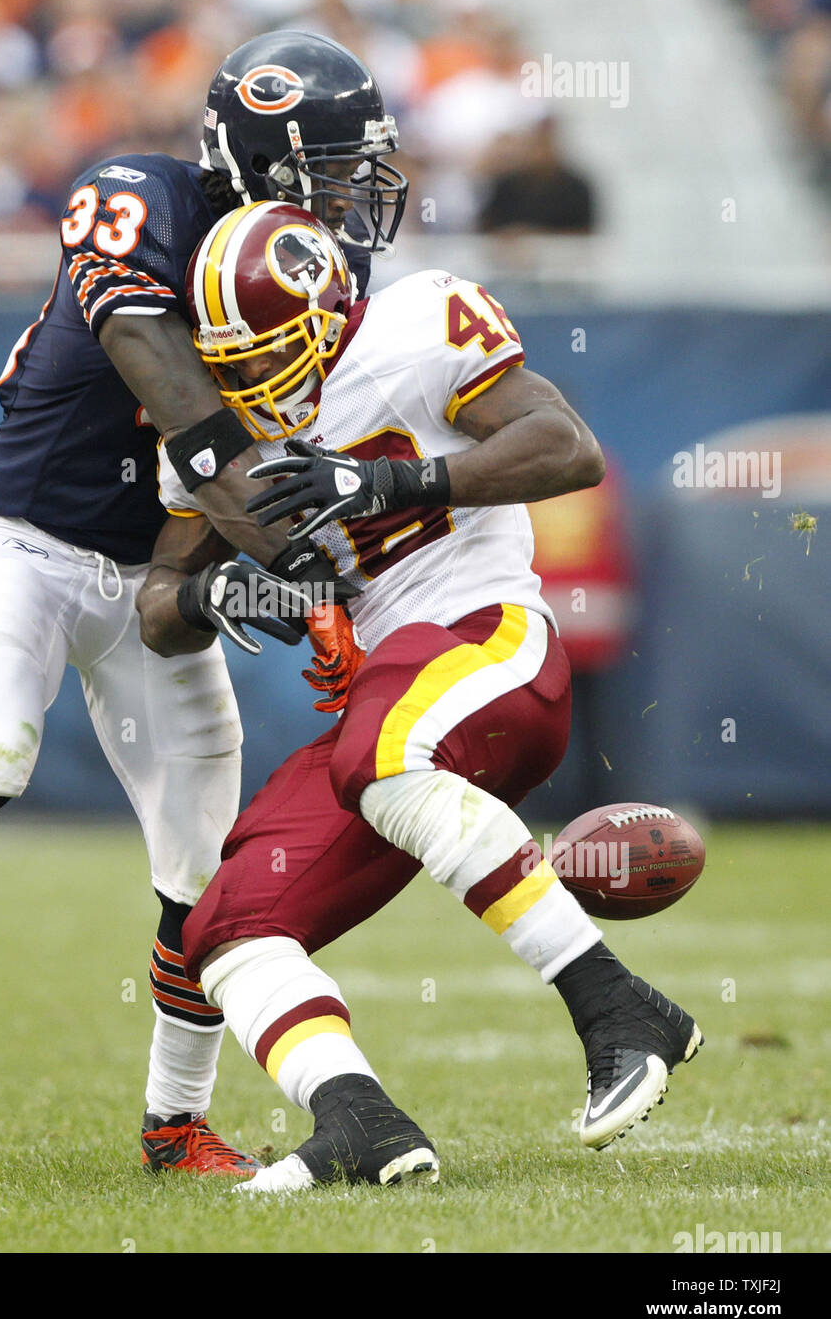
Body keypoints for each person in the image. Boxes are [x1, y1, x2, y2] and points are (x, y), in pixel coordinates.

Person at [0, 31, 407, 1176]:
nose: (349, 196)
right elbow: (156, 364)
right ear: (263, 157)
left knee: (202, 875)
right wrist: (281, 540)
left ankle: (174, 1123)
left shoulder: (321, 266)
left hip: (153, 562)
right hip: (31, 534)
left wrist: (270, 570)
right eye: (329, 165)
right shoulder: (136, 197)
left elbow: (226, 502)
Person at [139, 200, 702, 1192]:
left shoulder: (416, 325)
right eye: (225, 361)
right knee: (222, 923)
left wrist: (392, 483)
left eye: (264, 351)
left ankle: (617, 1006)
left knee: (377, 754)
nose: (247, 382)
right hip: (388, 710)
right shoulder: (217, 432)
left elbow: (568, 447)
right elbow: (155, 607)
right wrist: (213, 588)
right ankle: (359, 1119)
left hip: (490, 646)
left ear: (326, 314)